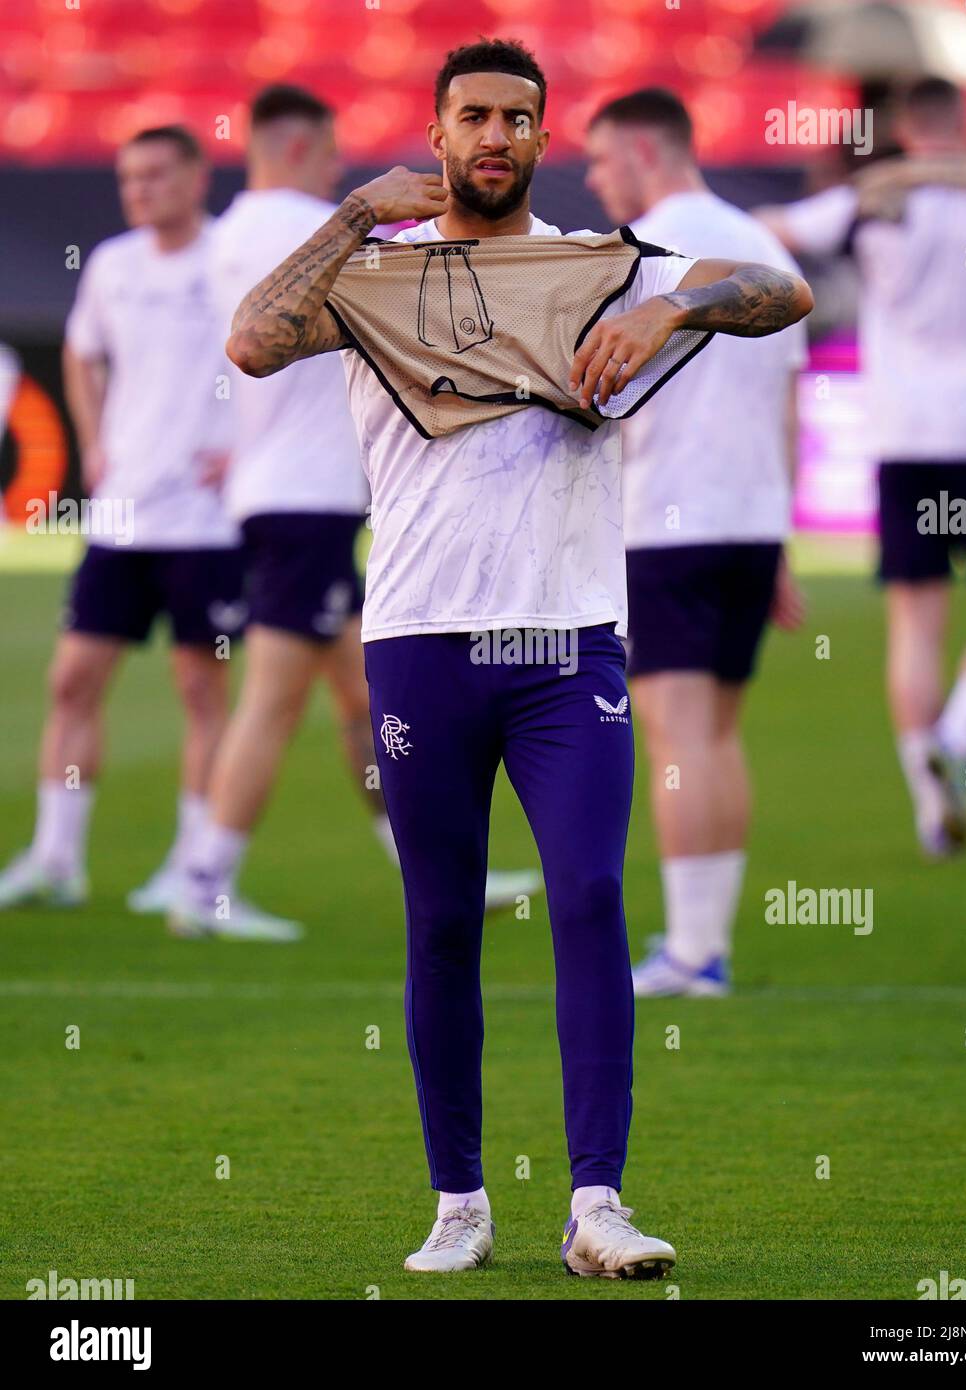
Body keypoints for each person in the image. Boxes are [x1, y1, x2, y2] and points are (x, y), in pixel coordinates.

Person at [225, 40, 811, 1276]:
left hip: (568, 643)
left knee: (592, 898)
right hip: (419, 643)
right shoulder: (374, 273)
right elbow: (252, 341)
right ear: (437, 134)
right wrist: (346, 216)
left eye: (519, 118)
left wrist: (673, 304)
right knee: (441, 923)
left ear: (545, 138)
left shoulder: (607, 266)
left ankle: (597, 1204)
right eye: (474, 116)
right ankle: (460, 1205)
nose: (495, 135)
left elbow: (782, 289)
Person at [174, 84, 541, 942]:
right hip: (307, 498)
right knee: (271, 699)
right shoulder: (315, 228)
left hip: (282, 491)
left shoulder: (227, 237)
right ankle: (203, 881)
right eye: (330, 152)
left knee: (361, 700)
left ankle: (438, 869)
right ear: (301, 148)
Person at [758, 78, 966, 857]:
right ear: (961, 123)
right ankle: (954, 736)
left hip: (905, 440)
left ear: (905, 127)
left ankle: (928, 808)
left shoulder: (866, 199)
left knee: (913, 627)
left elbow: (762, 230)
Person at [585, 88, 807, 998]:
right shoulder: (763, 245)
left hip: (668, 518)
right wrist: (781, 531)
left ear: (642, 149)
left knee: (677, 736)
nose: (595, 178)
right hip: (747, 521)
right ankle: (702, 946)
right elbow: (790, 395)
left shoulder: (640, 255)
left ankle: (690, 953)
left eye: (600, 159)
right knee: (714, 733)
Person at [0, 126, 243, 912]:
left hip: (207, 523)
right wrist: (95, 437)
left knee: (201, 692)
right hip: (123, 516)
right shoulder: (110, 264)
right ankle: (56, 857)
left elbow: (287, 354)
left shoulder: (232, 258)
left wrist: (242, 443)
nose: (139, 190)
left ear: (197, 174)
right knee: (72, 680)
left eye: (155, 175)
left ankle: (193, 861)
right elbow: (80, 352)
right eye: (128, 177)